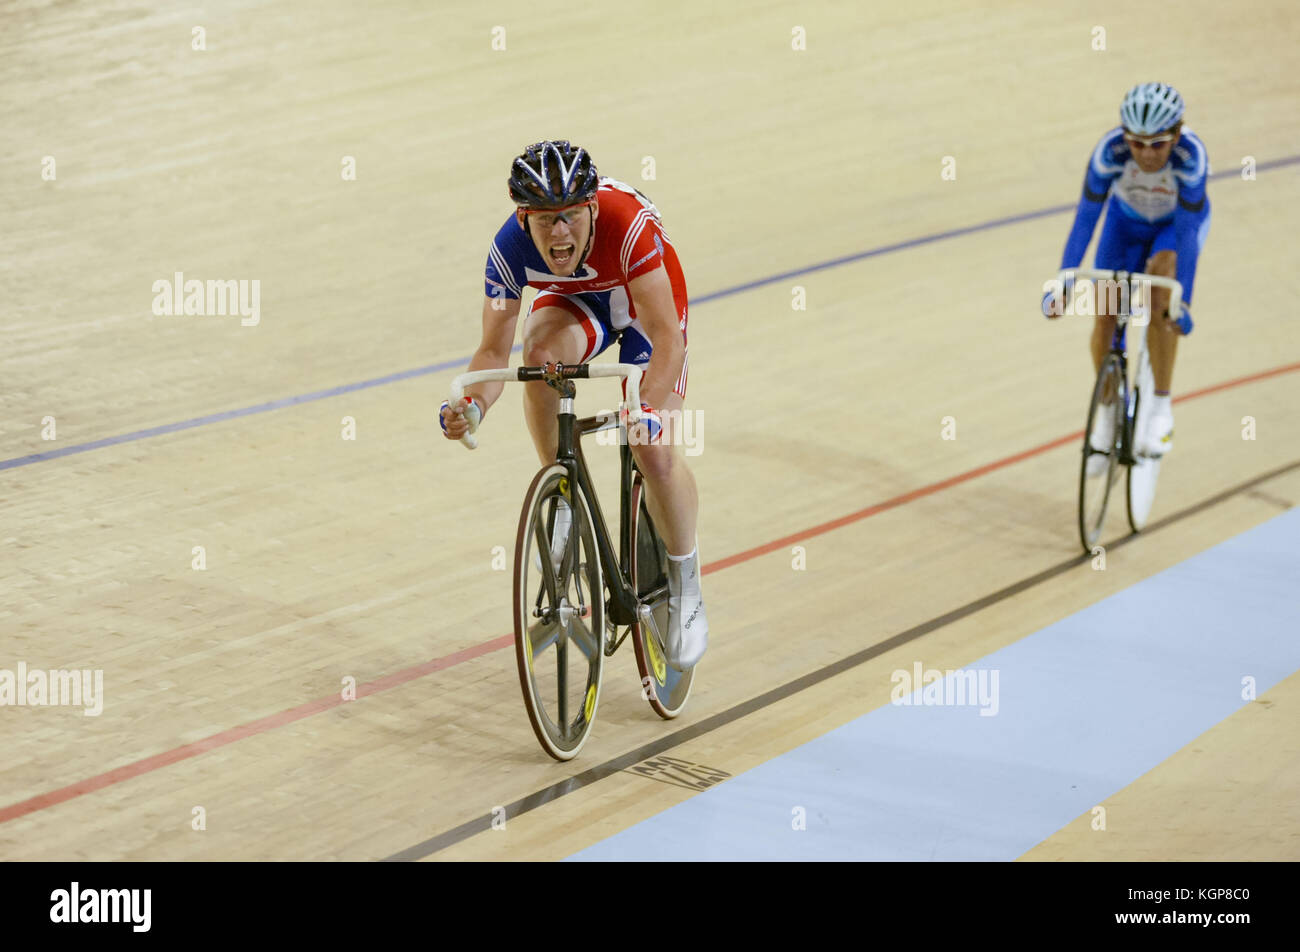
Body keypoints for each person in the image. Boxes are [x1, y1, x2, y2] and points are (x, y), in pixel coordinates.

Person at [440, 140, 707, 670]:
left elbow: (665, 338)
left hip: (645, 308)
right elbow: (494, 352)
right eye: (544, 221)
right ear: (524, 219)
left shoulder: (627, 225)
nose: (558, 233)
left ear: (589, 209)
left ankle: (685, 583)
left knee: (651, 448)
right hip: (580, 302)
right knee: (537, 359)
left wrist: (651, 411)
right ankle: (560, 490)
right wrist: (472, 405)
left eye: (568, 218)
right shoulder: (508, 249)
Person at [1044, 82, 1210, 461]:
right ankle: (1106, 411)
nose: (1147, 154)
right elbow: (1086, 220)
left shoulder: (1191, 159)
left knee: (1159, 296)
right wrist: (1064, 283)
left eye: (1158, 144)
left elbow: (1186, 234)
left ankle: (1162, 411)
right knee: (1105, 312)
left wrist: (1183, 300)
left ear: (1177, 136)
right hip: (1124, 225)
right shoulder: (1109, 153)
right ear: (1125, 137)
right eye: (1137, 143)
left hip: (1172, 229)